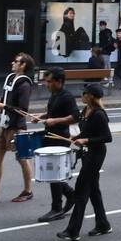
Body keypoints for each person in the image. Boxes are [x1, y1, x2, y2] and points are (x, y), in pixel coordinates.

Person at [55, 84, 113, 241]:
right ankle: (103, 224)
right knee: (94, 190)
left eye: (85, 93)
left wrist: (86, 140)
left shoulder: (99, 114)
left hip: (96, 155)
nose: (82, 95)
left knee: (81, 191)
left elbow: (107, 137)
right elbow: (87, 131)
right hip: (87, 154)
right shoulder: (85, 110)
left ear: (92, 96)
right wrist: (78, 137)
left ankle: (73, 231)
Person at [0, 53, 36, 204]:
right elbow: (6, 97)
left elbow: (23, 109)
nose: (13, 63)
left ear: (23, 65)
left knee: (22, 158)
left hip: (16, 127)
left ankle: (28, 190)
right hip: (4, 125)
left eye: (16, 61)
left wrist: (3, 106)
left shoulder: (24, 84)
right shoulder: (11, 78)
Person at [35, 69, 79, 223]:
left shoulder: (67, 96)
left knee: (53, 174)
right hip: (50, 136)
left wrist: (54, 121)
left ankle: (57, 208)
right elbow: (52, 112)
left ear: (59, 81)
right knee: (53, 174)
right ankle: (71, 194)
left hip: (60, 138)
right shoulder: (54, 95)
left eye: (49, 81)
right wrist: (43, 116)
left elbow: (75, 117)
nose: (46, 84)